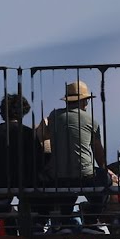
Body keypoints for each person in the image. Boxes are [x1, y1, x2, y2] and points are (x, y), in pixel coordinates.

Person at [45, 80, 107, 219]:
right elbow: (98, 153)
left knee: (66, 196)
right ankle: (92, 218)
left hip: (60, 175)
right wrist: (105, 169)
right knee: (105, 181)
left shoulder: (54, 116)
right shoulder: (90, 120)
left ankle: (65, 222)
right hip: (84, 174)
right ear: (83, 101)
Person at [0, 94, 45, 217]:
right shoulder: (28, 133)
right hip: (25, 180)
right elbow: (39, 159)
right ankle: (35, 223)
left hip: (0, 181)